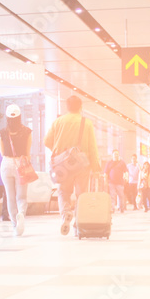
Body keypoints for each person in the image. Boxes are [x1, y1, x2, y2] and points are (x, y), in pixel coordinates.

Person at [44, 95, 101, 236]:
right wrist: (96, 168)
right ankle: (78, 225)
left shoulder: (58, 122)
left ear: (67, 107)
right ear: (80, 107)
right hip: (82, 164)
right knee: (81, 194)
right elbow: (93, 147)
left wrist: (59, 152)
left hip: (63, 165)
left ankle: (66, 214)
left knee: (64, 192)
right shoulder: (86, 123)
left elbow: (47, 141)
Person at [0, 104, 32, 236]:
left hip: (6, 164)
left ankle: (14, 225)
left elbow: (2, 153)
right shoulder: (27, 132)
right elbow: (28, 153)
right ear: (20, 116)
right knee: (21, 196)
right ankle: (21, 214)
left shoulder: (2, 133)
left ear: (7, 117)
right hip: (21, 162)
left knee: (10, 197)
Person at [104, 150, 127, 214]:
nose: (116, 155)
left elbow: (125, 171)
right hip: (111, 182)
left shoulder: (122, 163)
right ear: (112, 155)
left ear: (118, 155)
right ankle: (112, 208)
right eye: (114, 154)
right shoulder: (109, 163)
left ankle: (122, 208)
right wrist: (105, 180)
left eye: (117, 154)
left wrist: (126, 177)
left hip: (120, 182)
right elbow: (105, 172)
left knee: (121, 196)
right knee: (112, 195)